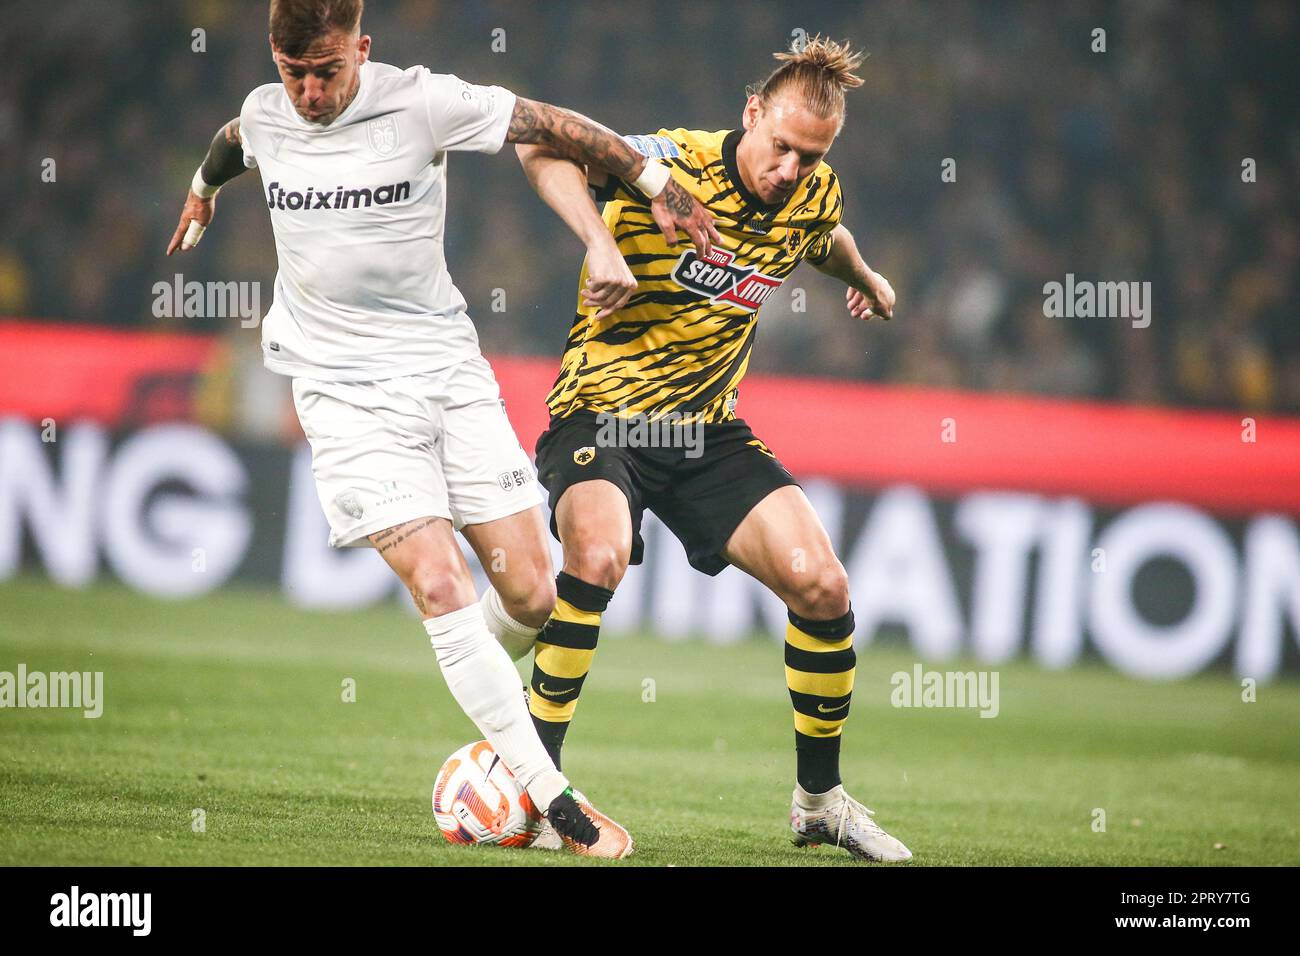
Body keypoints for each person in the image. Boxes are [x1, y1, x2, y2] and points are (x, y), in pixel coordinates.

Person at [165, 0, 717, 859]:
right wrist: (202, 193)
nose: (309, 93)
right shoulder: (270, 112)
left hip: (448, 374)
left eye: (327, 72)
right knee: (440, 583)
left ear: (363, 49)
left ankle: (472, 671)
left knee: (537, 594)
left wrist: (654, 186)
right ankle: (554, 802)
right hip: (340, 392)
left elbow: (552, 124)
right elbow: (235, 138)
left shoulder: (424, 102)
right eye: (293, 73)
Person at [514, 36, 911, 861]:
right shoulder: (667, 161)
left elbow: (822, 235)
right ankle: (535, 786)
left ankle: (818, 801)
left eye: (811, 156)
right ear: (750, 114)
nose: (792, 169)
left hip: (707, 431)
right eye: (782, 148)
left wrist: (865, 276)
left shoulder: (811, 192)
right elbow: (537, 144)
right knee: (598, 554)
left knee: (823, 585)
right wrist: (598, 240)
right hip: (603, 414)